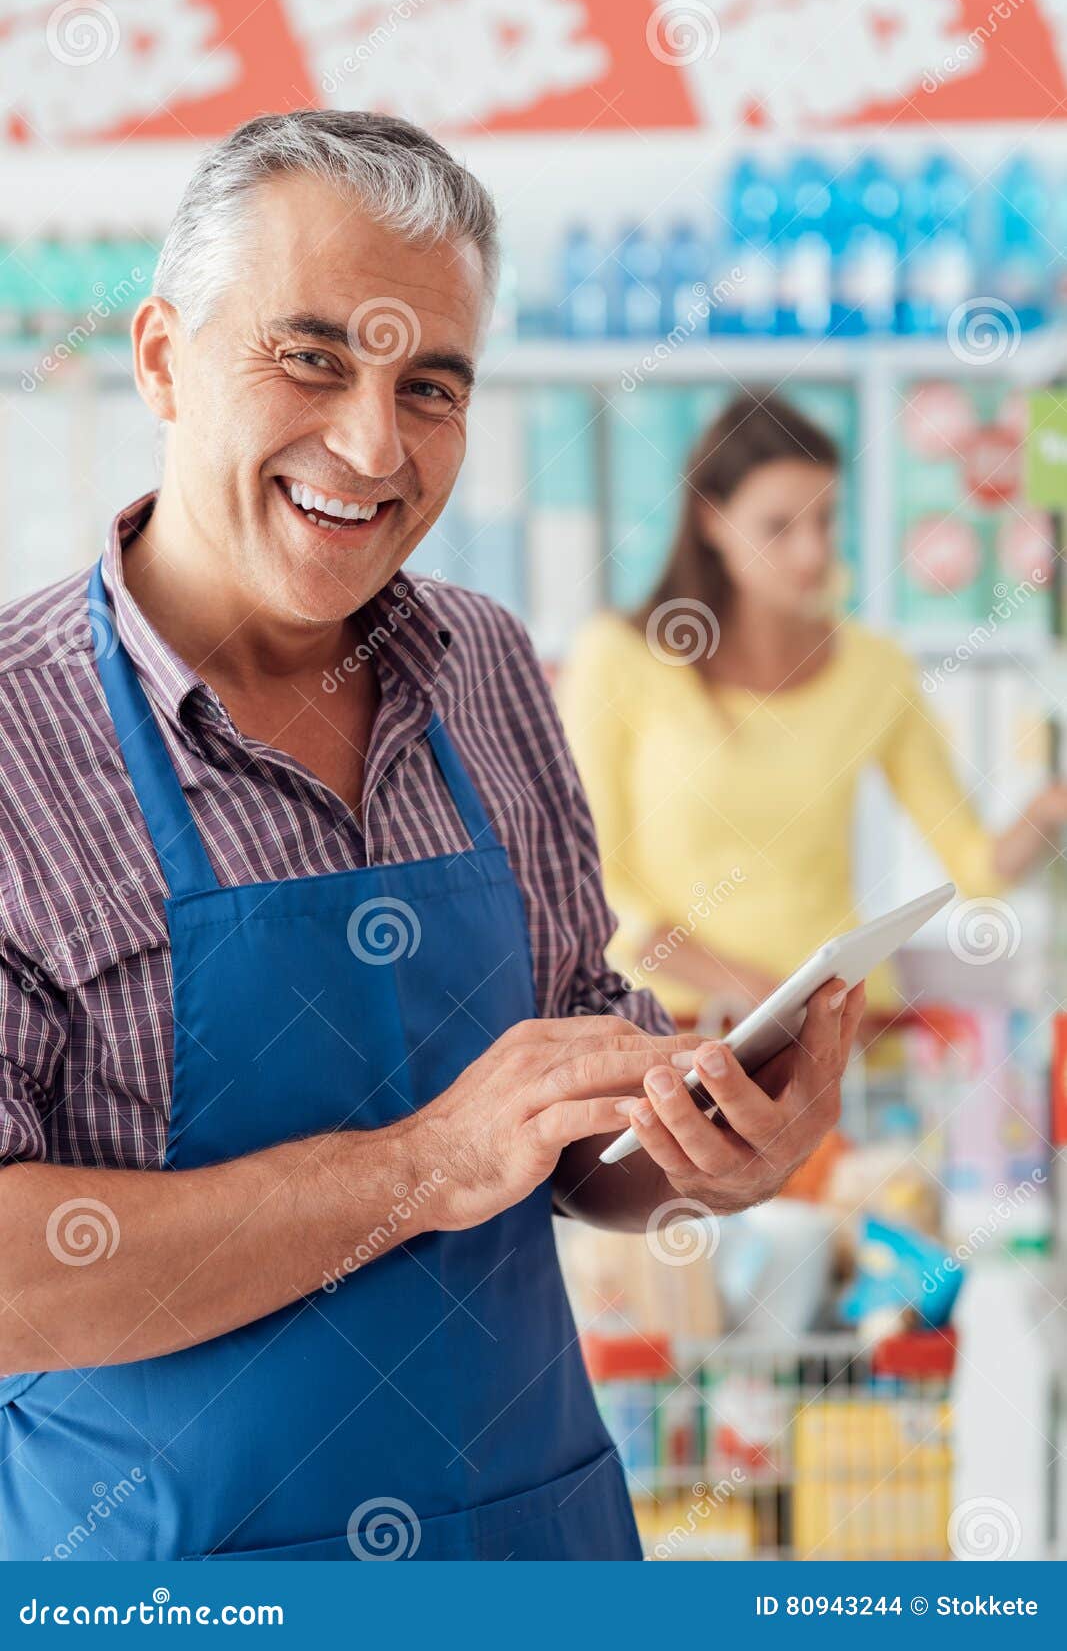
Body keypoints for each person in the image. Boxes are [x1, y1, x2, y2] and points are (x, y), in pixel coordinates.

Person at [0, 114, 862, 1564]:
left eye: (430, 386)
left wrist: (703, 1147)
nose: (372, 444)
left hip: (537, 1550)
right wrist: (420, 1164)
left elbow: (569, 1120)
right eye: (313, 357)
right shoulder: (20, 741)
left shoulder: (485, 666)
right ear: (162, 356)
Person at [559, 392, 1067, 1028]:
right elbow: (592, 887)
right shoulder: (619, 659)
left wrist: (1050, 806)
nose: (811, 552)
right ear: (711, 520)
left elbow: (976, 868)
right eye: (779, 526)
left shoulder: (876, 669)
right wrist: (756, 993)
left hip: (840, 1031)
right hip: (677, 1035)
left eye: (826, 520)